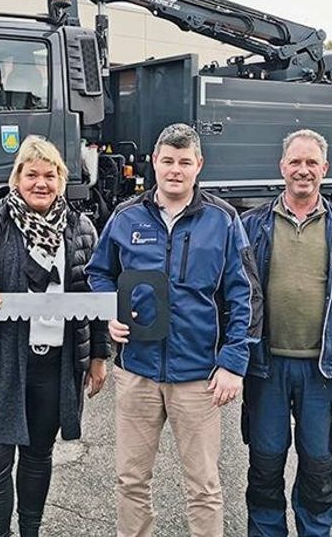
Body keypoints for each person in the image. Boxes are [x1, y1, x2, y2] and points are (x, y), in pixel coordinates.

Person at [86, 123, 262, 537]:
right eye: (168, 161)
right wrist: (111, 311)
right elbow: (98, 273)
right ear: (154, 162)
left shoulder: (223, 220)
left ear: (199, 165)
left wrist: (233, 362)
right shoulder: (127, 216)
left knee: (203, 485)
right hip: (138, 373)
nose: (175, 170)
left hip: (198, 376)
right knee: (131, 481)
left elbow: (245, 294)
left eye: (185, 162)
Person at [0, 135, 109, 537]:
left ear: (62, 179)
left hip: (53, 366)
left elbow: (97, 295)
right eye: (31, 174)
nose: (41, 183)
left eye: (50, 175)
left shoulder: (81, 229)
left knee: (38, 455)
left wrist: (100, 357)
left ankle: (30, 530)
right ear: (16, 177)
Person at [239, 129, 332, 536]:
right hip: (266, 368)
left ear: (325, 169)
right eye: (295, 162)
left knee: (318, 466)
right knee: (265, 463)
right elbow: (230, 297)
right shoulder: (251, 226)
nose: (303, 170)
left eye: (311, 163)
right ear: (282, 167)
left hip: (323, 369)